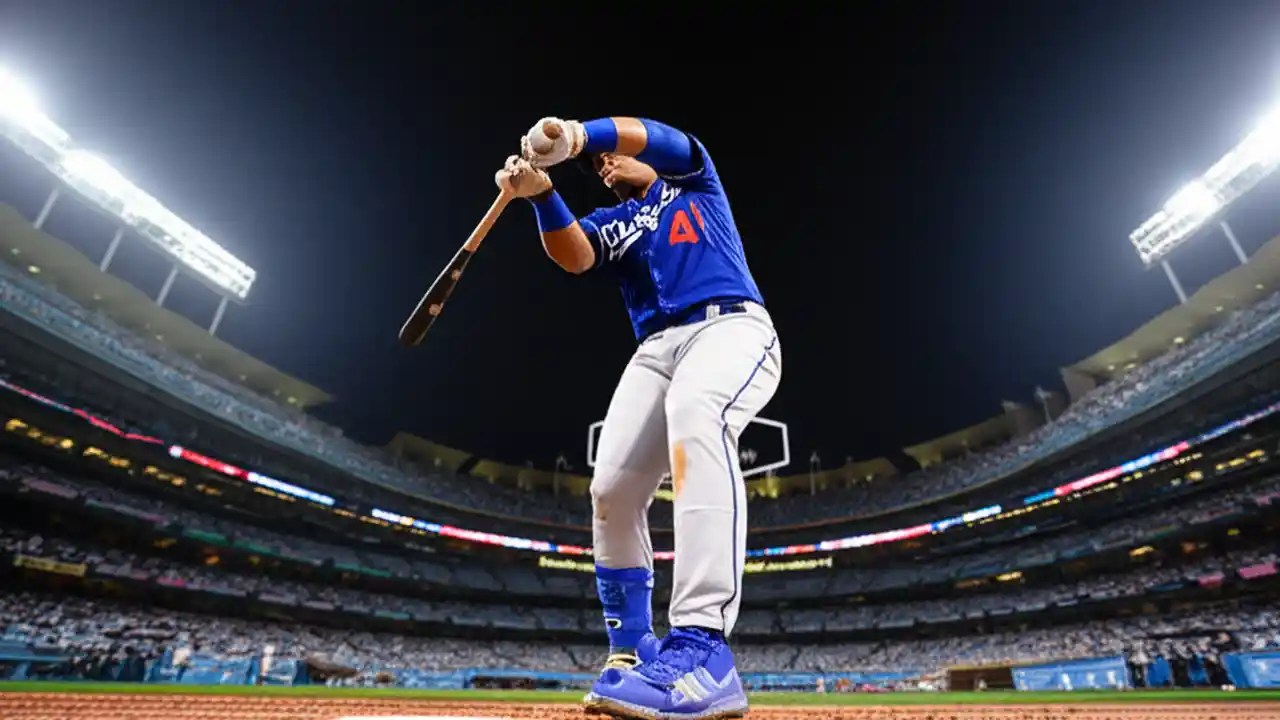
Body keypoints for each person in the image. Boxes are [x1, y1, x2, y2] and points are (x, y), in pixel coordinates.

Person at [496, 116, 782, 719]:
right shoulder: (617, 223)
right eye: (598, 167)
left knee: (696, 411)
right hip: (656, 347)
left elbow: (665, 138)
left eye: (612, 158)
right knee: (612, 488)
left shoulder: (694, 182)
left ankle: (704, 648)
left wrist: (580, 137)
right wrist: (542, 195)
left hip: (730, 325)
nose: (606, 167)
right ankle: (631, 652)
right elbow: (574, 255)